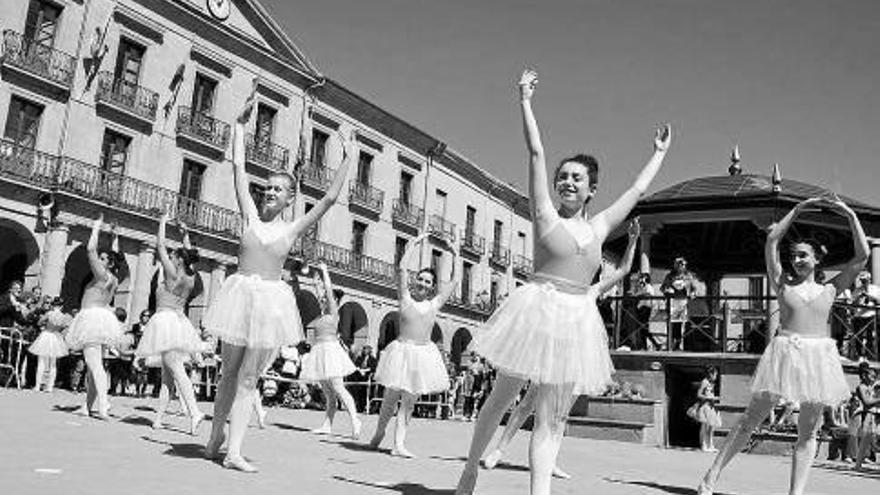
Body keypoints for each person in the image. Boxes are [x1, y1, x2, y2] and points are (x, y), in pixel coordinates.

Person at [456, 69, 671, 495]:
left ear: (592, 190)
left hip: (575, 318)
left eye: (577, 178)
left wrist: (659, 152)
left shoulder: (602, 225)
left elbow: (639, 188)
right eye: (564, 177)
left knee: (552, 416)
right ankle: (470, 470)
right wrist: (525, 101)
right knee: (501, 399)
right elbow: (536, 153)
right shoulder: (544, 215)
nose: (567, 182)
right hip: (536, 309)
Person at [202, 89, 352, 472]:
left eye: (278, 189)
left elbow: (330, 200)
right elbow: (237, 168)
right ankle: (214, 437)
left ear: (289, 199)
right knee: (228, 373)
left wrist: (348, 158)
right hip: (240, 295)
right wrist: (238, 126)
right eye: (267, 186)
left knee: (249, 377)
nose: (269, 191)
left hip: (269, 303)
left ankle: (234, 451)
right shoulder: (251, 216)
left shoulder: (293, 228)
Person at [697, 196, 868, 495]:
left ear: (817, 259)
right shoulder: (782, 284)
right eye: (795, 256)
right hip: (784, 353)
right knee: (750, 419)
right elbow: (772, 241)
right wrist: (799, 209)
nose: (797, 260)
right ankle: (711, 477)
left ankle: (796, 493)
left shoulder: (832, 287)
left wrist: (849, 214)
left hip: (818, 359)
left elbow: (862, 256)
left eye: (803, 255)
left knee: (808, 430)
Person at [483, 220, 640, 481]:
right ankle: (499, 449)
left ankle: (549, 460)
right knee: (526, 404)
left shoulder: (593, 291)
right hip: (549, 353)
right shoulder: (563, 287)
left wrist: (633, 241)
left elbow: (624, 269)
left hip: (572, 358)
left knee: (560, 412)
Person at [368, 232, 459, 458]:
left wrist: (454, 253)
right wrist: (415, 243)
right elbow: (401, 268)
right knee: (389, 399)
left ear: (431, 287)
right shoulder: (405, 298)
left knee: (409, 401)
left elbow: (455, 281)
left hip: (423, 354)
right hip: (401, 351)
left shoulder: (434, 304)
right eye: (420, 279)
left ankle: (399, 444)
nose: (423, 283)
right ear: (415, 280)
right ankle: (379, 433)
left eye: (428, 281)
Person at [135, 212, 206, 434]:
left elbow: (160, 245)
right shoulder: (191, 276)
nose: (171, 256)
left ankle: (194, 412)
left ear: (178, 259)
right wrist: (185, 235)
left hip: (166, 320)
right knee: (167, 377)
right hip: (179, 320)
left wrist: (163, 222)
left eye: (175, 255)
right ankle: (157, 418)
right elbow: (190, 255)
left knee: (175, 369)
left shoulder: (172, 273)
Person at [64, 214, 124, 419]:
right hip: (102, 318)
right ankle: (86, 407)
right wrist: (114, 237)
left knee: (94, 364)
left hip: (91, 318)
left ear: (108, 264)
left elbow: (90, 249)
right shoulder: (114, 278)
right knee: (94, 366)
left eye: (104, 258)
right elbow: (116, 255)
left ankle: (104, 404)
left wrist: (96, 227)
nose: (100, 258)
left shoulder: (101, 274)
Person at [299, 262, 362, 438]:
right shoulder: (321, 314)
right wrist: (314, 277)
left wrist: (325, 272)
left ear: (334, 300)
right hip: (320, 351)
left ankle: (355, 420)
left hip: (331, 351)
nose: (324, 299)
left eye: (328, 298)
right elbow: (320, 291)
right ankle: (327, 425)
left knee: (338, 388)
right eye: (324, 299)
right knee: (328, 393)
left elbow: (326, 289)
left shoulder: (334, 313)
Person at [28, 297, 71, 392]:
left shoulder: (49, 313)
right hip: (56, 336)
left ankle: (37, 386)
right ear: (61, 306)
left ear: (53, 305)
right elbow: (66, 326)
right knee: (53, 364)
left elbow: (39, 322)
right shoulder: (63, 316)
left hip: (46, 335)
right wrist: (59, 329)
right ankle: (50, 386)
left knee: (41, 362)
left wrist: (44, 324)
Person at [661, 256, 697, 351]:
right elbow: (663, 288)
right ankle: (670, 345)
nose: (681, 266)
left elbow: (694, 289)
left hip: (683, 303)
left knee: (681, 325)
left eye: (683, 264)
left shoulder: (688, 276)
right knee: (671, 325)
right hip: (672, 303)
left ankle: (678, 345)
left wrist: (692, 294)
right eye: (679, 264)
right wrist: (667, 290)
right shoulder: (670, 276)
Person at [853, 362, 879, 470]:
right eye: (871, 375)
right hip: (868, 415)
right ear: (864, 376)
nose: (874, 377)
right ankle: (858, 464)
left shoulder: (873, 386)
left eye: (875, 376)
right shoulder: (861, 387)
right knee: (865, 440)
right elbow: (867, 402)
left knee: (874, 439)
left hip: (876, 415)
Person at [689, 366, 722, 452]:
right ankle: (704, 445)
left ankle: (710, 445)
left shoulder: (711, 383)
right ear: (711, 374)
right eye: (715, 375)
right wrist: (709, 398)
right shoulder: (704, 382)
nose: (716, 377)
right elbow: (698, 394)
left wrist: (714, 398)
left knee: (711, 427)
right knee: (705, 426)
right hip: (705, 406)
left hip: (711, 406)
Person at [851, 271, 879, 359]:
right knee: (858, 336)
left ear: (869, 280)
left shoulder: (875, 289)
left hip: (870, 315)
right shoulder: (857, 289)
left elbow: (878, 301)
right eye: (862, 280)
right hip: (859, 316)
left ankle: (868, 355)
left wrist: (869, 296)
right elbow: (851, 302)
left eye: (865, 280)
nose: (863, 282)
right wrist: (859, 297)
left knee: (870, 336)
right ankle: (859, 355)